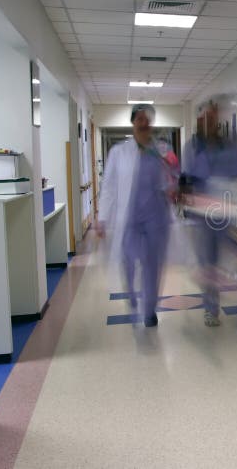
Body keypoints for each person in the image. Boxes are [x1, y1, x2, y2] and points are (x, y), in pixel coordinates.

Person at [97, 104, 171, 327]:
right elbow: (109, 186)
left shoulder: (161, 150)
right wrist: (102, 218)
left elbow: (171, 178)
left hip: (155, 216)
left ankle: (149, 310)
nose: (144, 122)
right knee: (128, 260)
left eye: (147, 119)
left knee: (151, 263)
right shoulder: (119, 152)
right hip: (129, 218)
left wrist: (173, 187)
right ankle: (131, 292)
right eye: (139, 118)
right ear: (133, 123)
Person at [180, 105, 237, 327]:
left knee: (222, 257)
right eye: (205, 118)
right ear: (200, 120)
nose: (209, 121)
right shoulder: (193, 147)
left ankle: (233, 286)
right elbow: (186, 178)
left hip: (224, 212)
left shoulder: (227, 145)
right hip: (202, 215)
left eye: (213, 117)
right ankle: (211, 308)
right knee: (207, 261)